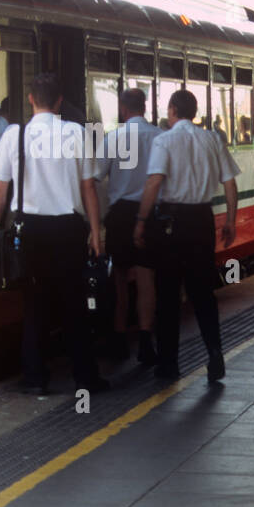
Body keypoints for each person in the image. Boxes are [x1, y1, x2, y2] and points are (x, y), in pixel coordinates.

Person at [0, 73, 108, 395]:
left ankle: (36, 378)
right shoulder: (76, 133)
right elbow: (89, 189)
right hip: (68, 229)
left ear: (30, 99)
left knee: (35, 306)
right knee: (74, 306)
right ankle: (85, 377)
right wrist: (96, 232)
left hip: (30, 231)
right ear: (58, 102)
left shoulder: (16, 134)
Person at [133, 89, 240, 383]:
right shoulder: (212, 139)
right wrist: (230, 220)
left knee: (168, 295)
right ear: (193, 112)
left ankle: (169, 364)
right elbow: (230, 184)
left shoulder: (164, 140)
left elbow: (155, 182)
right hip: (202, 220)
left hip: (171, 222)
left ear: (172, 111)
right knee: (203, 292)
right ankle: (215, 352)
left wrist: (141, 221)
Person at [88, 88, 160, 364]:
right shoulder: (158, 137)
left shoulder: (114, 137)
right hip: (148, 213)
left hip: (119, 215)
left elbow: (96, 177)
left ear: (123, 109)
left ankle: (119, 340)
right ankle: (145, 342)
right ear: (144, 107)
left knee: (119, 278)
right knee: (146, 279)